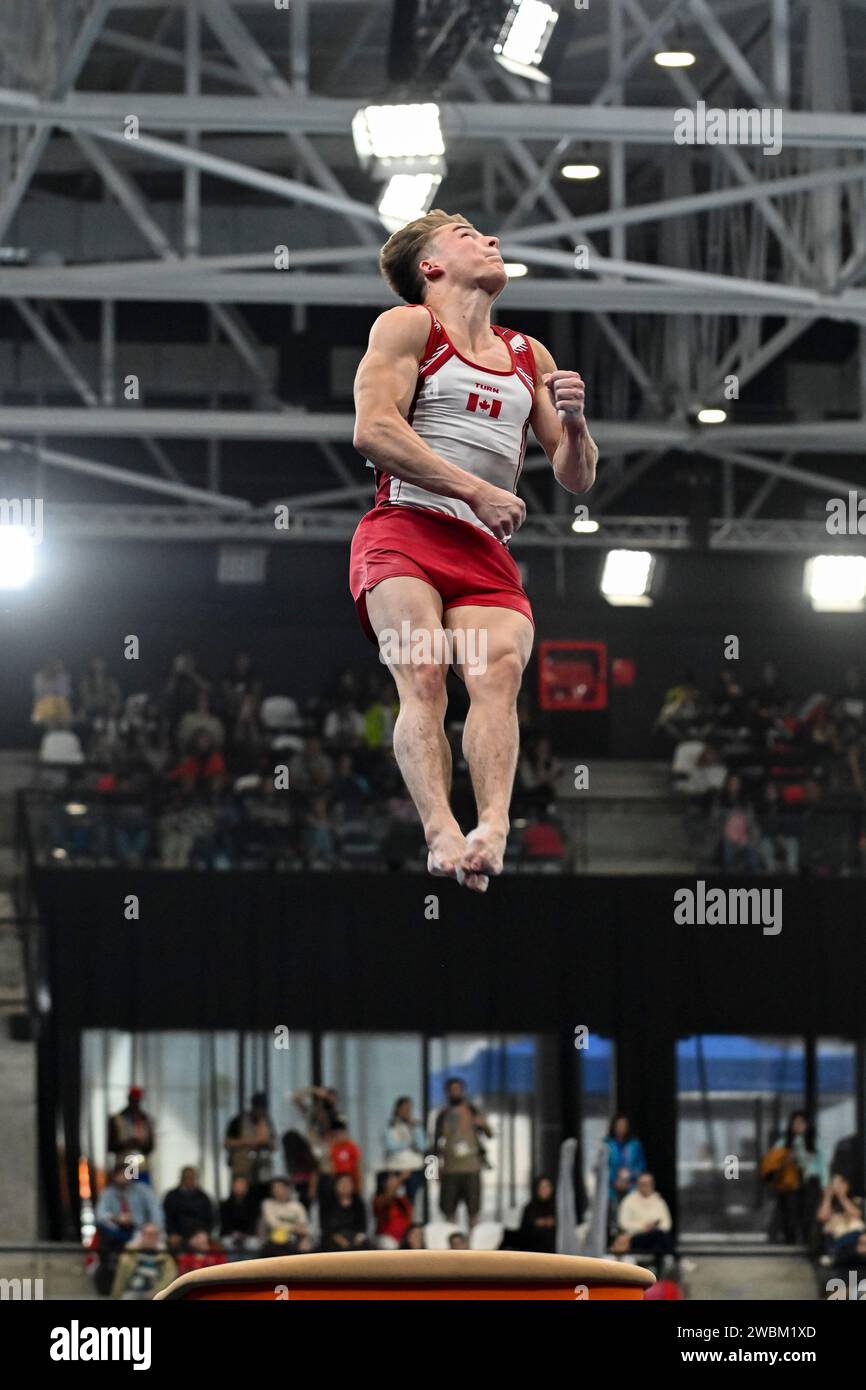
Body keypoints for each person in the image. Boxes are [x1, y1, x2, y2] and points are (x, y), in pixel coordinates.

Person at [349, 209, 598, 892]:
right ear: (429, 267)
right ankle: (440, 831)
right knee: (423, 674)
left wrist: (575, 425)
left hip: (482, 553)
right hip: (405, 528)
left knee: (497, 679)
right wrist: (475, 491)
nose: (488, 238)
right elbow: (373, 430)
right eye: (464, 234)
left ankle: (492, 828)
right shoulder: (408, 327)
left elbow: (576, 477)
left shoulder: (530, 356)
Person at [432, 1077, 493, 1229]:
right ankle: (451, 1246)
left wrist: (482, 1124)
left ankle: (472, 1247)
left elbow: (490, 1134)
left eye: (458, 1090)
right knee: (449, 1212)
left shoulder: (473, 1111)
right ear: (447, 1093)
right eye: (452, 1090)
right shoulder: (442, 1115)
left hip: (471, 1168)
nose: (455, 1093)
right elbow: (434, 1145)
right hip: (450, 1170)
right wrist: (432, 1173)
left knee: (473, 1212)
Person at [761, 1110, 828, 1247]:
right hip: (790, 1182)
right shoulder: (783, 1142)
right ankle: (790, 1243)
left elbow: (823, 1166)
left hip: (810, 1181)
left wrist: (825, 1185)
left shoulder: (815, 1142)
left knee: (808, 1213)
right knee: (791, 1213)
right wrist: (787, 1159)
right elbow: (772, 1164)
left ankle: (807, 1244)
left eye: (802, 1122)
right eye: (796, 1122)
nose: (799, 1125)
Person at [223, 1092, 277, 1194]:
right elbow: (227, 1143)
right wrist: (250, 1142)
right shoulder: (238, 1121)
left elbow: (273, 1144)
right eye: (258, 1108)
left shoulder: (267, 1121)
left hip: (263, 1170)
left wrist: (266, 1140)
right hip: (242, 1168)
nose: (260, 1111)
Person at [612, 1172, 675, 1258]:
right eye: (642, 1184)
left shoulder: (659, 1201)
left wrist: (652, 1228)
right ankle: (672, 1260)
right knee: (659, 1238)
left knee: (660, 1236)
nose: (645, 1186)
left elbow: (667, 1224)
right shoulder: (629, 1200)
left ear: (652, 1184)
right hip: (636, 1237)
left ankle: (664, 1264)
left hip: (656, 1236)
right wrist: (642, 1227)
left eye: (648, 1184)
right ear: (638, 1184)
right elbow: (623, 1222)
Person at [109, 1223, 177, 1300]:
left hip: (155, 1294)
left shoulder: (166, 1260)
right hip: (131, 1293)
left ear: (158, 1237)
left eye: (154, 1235)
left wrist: (156, 1292)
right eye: (148, 1234)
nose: (150, 1237)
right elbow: (120, 1281)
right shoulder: (128, 1257)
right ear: (141, 1235)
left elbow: (168, 1279)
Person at [383, 1097, 427, 1207]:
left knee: (413, 1200)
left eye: (409, 1109)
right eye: (404, 1108)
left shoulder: (416, 1125)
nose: (407, 1111)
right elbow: (390, 1145)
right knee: (396, 1200)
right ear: (398, 1109)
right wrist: (407, 1143)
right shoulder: (391, 1125)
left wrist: (415, 1129)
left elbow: (423, 1145)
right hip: (396, 1167)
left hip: (414, 1167)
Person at [162, 1166, 216, 1251]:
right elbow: (167, 1217)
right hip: (178, 1234)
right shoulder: (171, 1196)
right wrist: (171, 1233)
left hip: (199, 1233)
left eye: (192, 1177)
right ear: (181, 1178)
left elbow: (210, 1219)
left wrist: (204, 1233)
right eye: (186, 1177)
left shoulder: (203, 1197)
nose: (189, 1180)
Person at [107, 1087, 155, 1178]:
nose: (135, 1103)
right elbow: (111, 1146)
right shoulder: (117, 1119)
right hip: (124, 1165)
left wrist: (140, 1144)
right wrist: (127, 1143)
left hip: (142, 1166)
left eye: (137, 1100)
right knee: (126, 1190)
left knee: (142, 1190)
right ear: (129, 1099)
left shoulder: (145, 1119)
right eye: (133, 1100)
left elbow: (150, 1146)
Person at [320, 1172, 371, 1253]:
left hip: (354, 1237)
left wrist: (357, 1239)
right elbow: (326, 1227)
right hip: (334, 1238)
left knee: (365, 1246)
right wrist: (340, 1240)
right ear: (335, 1185)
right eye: (342, 1183)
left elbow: (362, 1227)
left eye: (348, 1183)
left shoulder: (358, 1203)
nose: (345, 1186)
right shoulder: (328, 1203)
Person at [605, 1114, 647, 1210]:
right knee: (614, 1214)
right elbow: (602, 1168)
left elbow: (641, 1166)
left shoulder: (635, 1144)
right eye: (619, 1125)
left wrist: (629, 1175)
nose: (621, 1128)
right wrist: (615, 1178)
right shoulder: (606, 1144)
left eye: (624, 1125)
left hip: (631, 1186)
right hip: (611, 1188)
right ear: (613, 1126)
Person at [517, 1175, 557, 1254]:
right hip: (533, 1254)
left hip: (555, 1254)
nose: (545, 1190)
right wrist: (536, 1224)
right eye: (542, 1187)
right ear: (537, 1189)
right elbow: (523, 1234)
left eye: (547, 1187)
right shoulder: (529, 1208)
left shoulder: (557, 1208)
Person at [373, 1172, 415, 1246]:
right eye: (391, 1179)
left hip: (403, 1238)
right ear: (384, 1183)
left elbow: (410, 1218)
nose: (395, 1182)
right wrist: (400, 1179)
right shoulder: (379, 1199)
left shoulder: (402, 1200)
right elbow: (386, 1200)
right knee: (388, 1243)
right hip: (386, 1239)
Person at [219, 1174, 260, 1248]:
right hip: (230, 1235)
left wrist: (245, 1235)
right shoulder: (225, 1204)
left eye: (242, 1184)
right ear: (233, 1186)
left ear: (247, 1187)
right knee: (226, 1242)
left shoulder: (253, 1204)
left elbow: (253, 1222)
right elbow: (225, 1223)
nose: (240, 1187)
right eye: (237, 1184)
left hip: (248, 1235)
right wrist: (234, 1234)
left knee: (254, 1243)